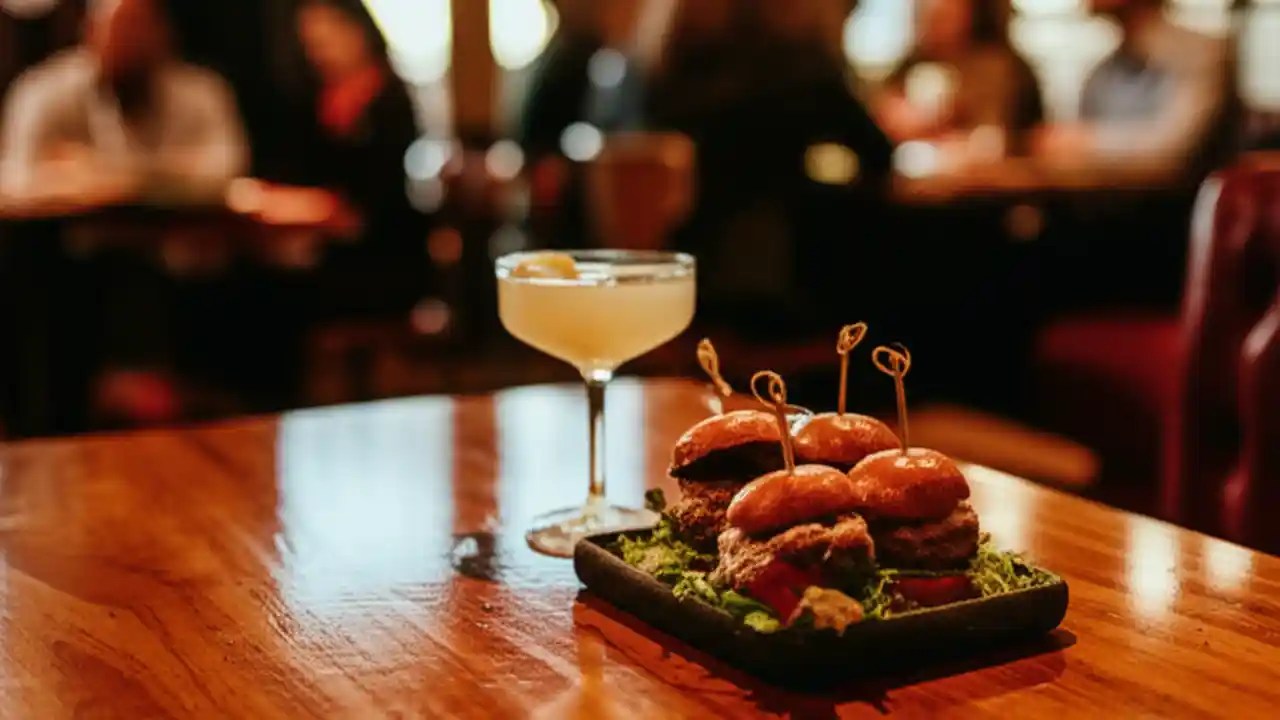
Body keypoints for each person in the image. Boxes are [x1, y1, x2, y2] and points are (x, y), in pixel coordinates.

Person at [640, 0, 894, 335]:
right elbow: (878, 153)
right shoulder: (800, 64)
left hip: (675, 282)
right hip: (771, 291)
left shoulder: (664, 62)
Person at [0, 0, 247, 197]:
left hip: (178, 238)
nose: (131, 40)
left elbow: (227, 169)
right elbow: (17, 181)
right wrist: (173, 173)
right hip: (66, 240)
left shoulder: (202, 92)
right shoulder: (43, 93)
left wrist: (100, 172)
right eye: (120, 29)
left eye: (140, 28)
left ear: (165, 34)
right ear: (90, 32)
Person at [1036, 0, 1232, 177]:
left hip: (1178, 203)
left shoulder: (1202, 54)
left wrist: (1084, 142)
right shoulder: (1103, 71)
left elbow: (1171, 151)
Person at [875, 0, 1043, 154]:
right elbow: (884, 114)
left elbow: (995, 139)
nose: (934, 9)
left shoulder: (1001, 69)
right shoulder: (914, 62)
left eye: (946, 12)